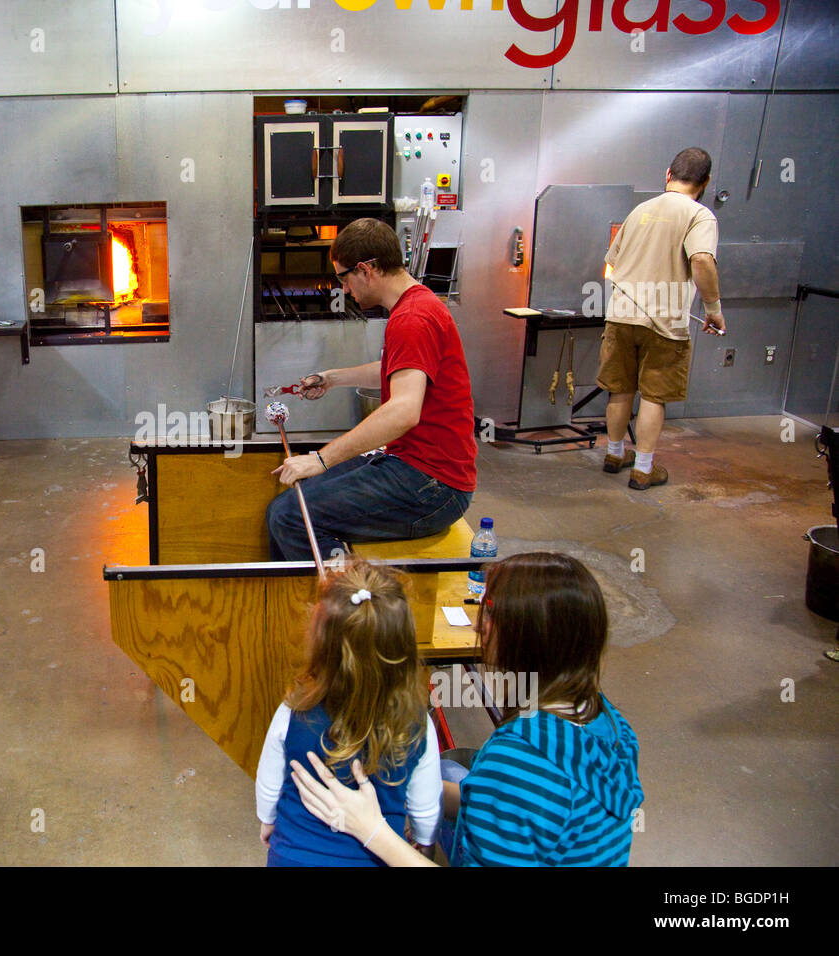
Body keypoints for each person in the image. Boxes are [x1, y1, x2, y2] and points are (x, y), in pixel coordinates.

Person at [288, 552, 644, 866]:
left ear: (529, 635)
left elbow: (513, 789)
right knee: (446, 769)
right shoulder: (608, 722)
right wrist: (407, 783)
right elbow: (499, 797)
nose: (477, 625)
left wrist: (370, 829)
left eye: (489, 611)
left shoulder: (517, 764)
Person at [265, 217, 477, 560]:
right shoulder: (416, 304)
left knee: (290, 516)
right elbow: (400, 372)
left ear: (365, 270)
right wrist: (333, 378)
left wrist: (321, 459)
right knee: (293, 500)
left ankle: (350, 591)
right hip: (416, 467)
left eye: (343, 279)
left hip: (433, 486)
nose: (346, 290)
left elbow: (404, 411)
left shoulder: (413, 318)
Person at [255, 559, 442, 866]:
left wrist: (268, 820)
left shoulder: (294, 709)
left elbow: (269, 782)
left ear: (320, 642)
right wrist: (425, 843)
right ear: (404, 647)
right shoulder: (417, 723)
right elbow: (425, 810)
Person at [598, 146, 726, 490]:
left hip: (621, 316)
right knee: (653, 396)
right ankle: (642, 469)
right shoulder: (699, 216)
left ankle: (614, 454)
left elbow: (611, 263)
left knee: (620, 390)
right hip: (663, 323)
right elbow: (702, 260)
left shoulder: (640, 210)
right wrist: (713, 309)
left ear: (668, 174)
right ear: (706, 182)